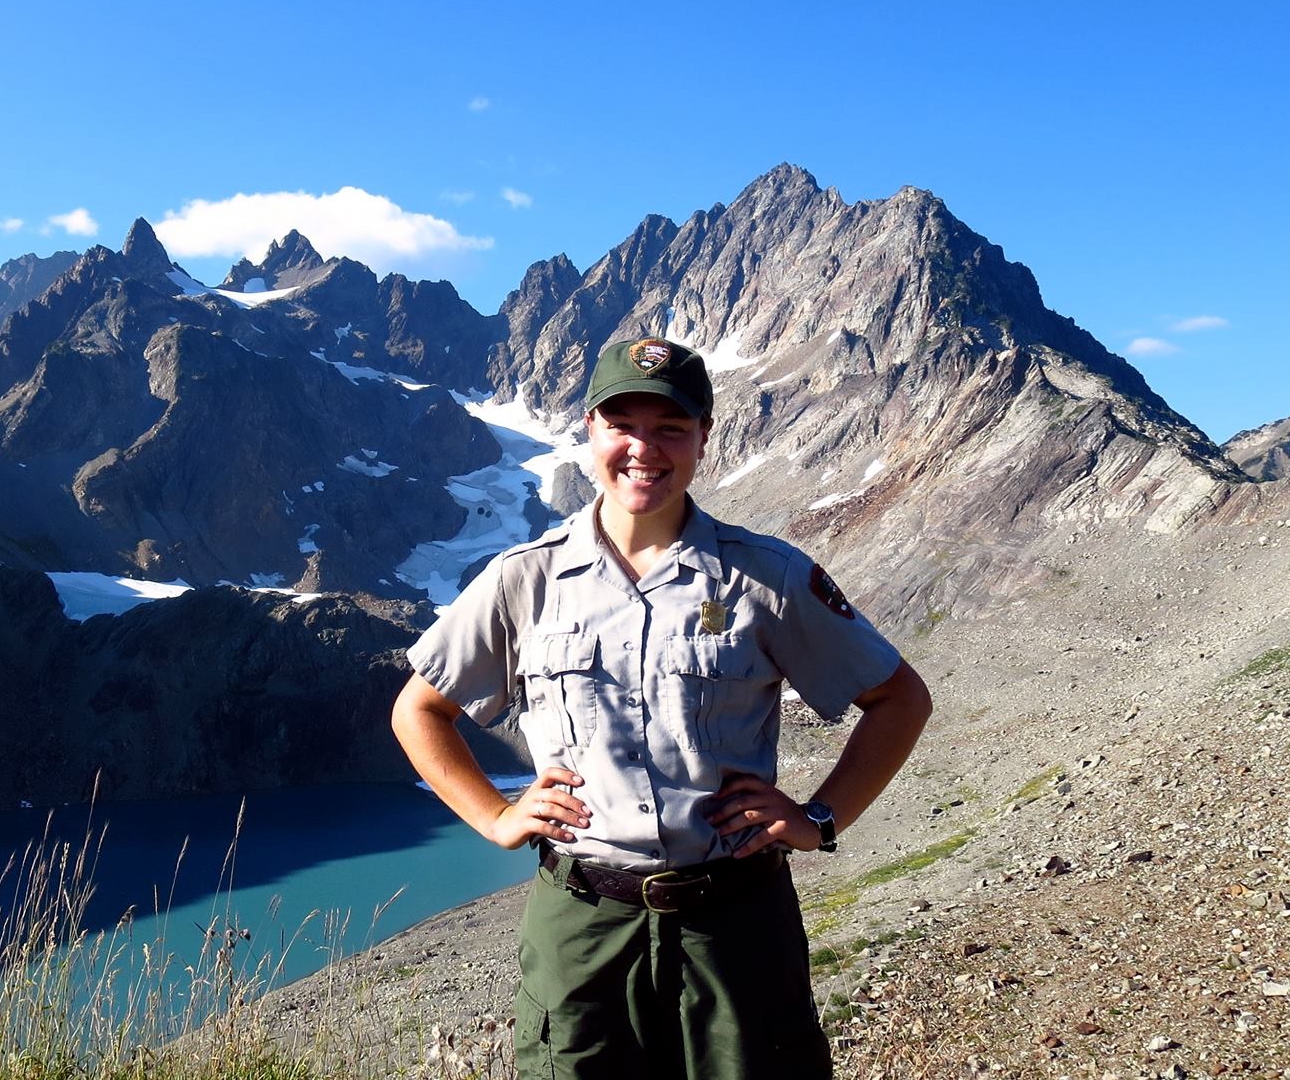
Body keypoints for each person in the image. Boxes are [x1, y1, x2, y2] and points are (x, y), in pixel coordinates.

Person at [392, 337, 932, 1079]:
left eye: (670, 427)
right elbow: (419, 709)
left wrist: (819, 819)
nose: (644, 448)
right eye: (622, 424)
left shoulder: (764, 577)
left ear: (704, 439)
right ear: (589, 430)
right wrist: (496, 817)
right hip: (581, 927)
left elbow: (899, 698)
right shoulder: (525, 580)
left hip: (735, 926)